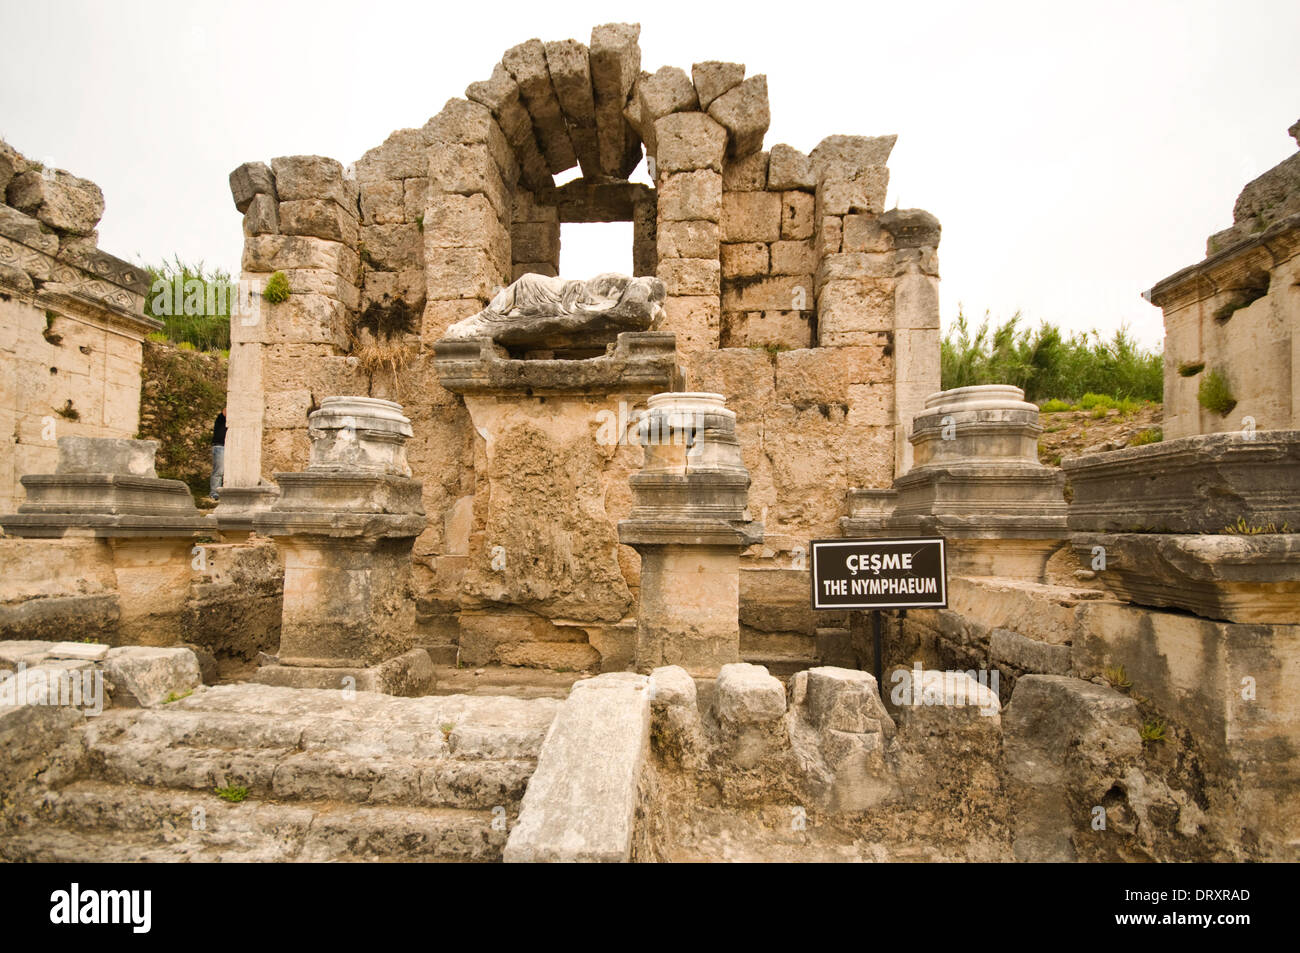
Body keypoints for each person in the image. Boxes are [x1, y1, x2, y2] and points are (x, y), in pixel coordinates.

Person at [211, 407, 226, 500]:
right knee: (219, 471)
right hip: (219, 446)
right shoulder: (221, 418)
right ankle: (214, 493)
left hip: (228, 447)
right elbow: (225, 411)